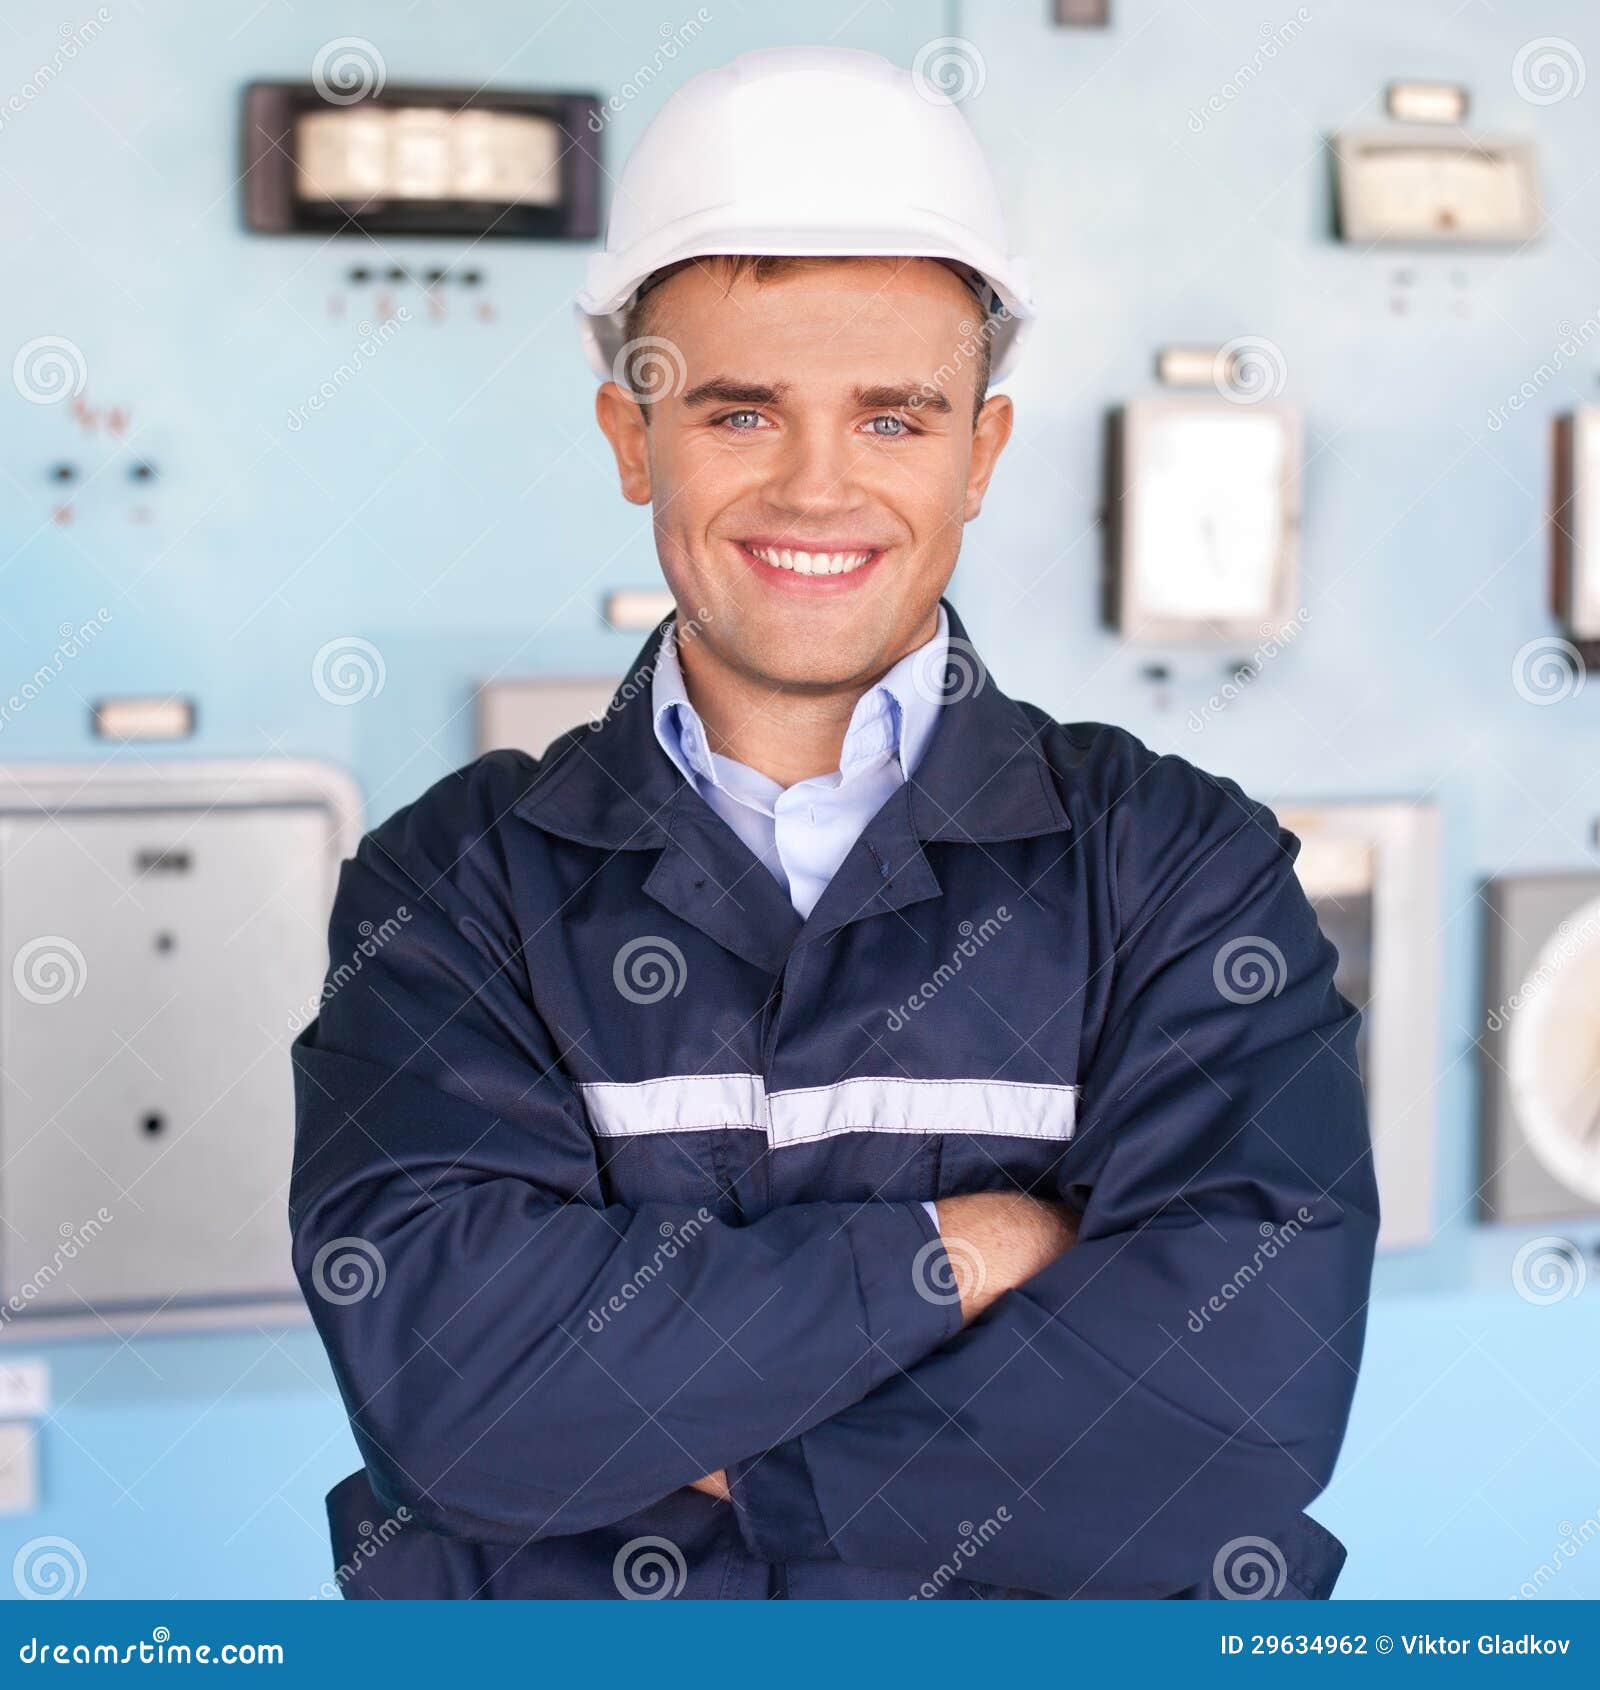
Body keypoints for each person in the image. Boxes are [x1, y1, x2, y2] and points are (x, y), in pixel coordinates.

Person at [289, 45, 1378, 1601]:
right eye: (739, 413)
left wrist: (712, 1439)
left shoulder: (1176, 869)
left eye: (894, 418)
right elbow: (462, 1396)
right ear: (628, 436)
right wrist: (975, 1246)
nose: (817, 488)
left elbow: (1227, 1421)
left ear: (980, 453)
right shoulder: (453, 884)